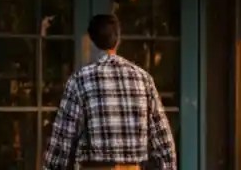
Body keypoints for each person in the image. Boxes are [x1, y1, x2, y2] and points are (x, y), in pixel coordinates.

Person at [43, 13, 177, 170]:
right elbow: (164, 143)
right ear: (117, 41)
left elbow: (61, 142)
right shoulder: (143, 79)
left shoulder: (80, 80)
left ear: (90, 42)